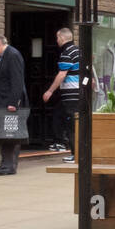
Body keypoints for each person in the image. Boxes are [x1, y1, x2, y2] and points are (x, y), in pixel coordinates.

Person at [0, 34, 28, 176]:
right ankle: (4, 164)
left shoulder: (13, 55)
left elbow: (17, 80)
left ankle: (10, 166)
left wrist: (13, 103)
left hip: (10, 103)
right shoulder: (2, 56)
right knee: (4, 134)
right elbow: (2, 82)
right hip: (2, 100)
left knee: (11, 134)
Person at [41, 27, 80, 163]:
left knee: (71, 125)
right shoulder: (78, 51)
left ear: (62, 38)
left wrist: (50, 91)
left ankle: (76, 154)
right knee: (65, 118)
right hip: (79, 94)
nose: (57, 40)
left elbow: (62, 74)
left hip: (71, 95)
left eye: (57, 38)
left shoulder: (67, 53)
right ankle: (67, 147)